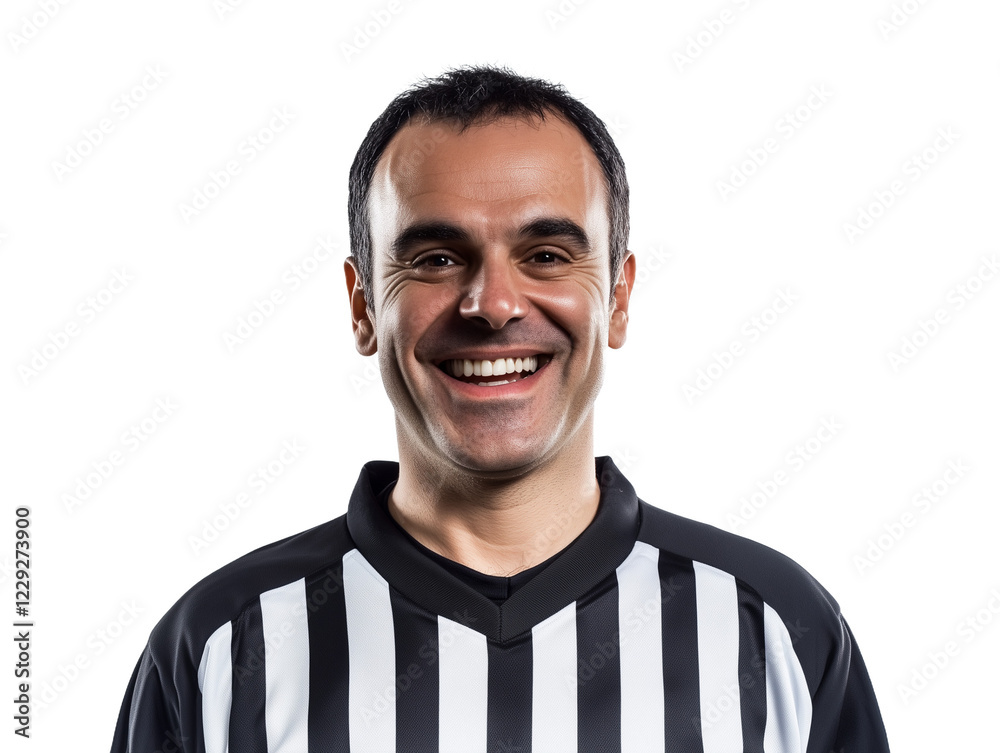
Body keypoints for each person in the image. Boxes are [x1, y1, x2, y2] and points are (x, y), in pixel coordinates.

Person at [111, 66, 890, 752]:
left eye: (546, 254)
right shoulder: (221, 649)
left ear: (618, 298)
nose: (492, 304)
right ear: (361, 305)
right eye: (437, 258)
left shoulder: (775, 631)